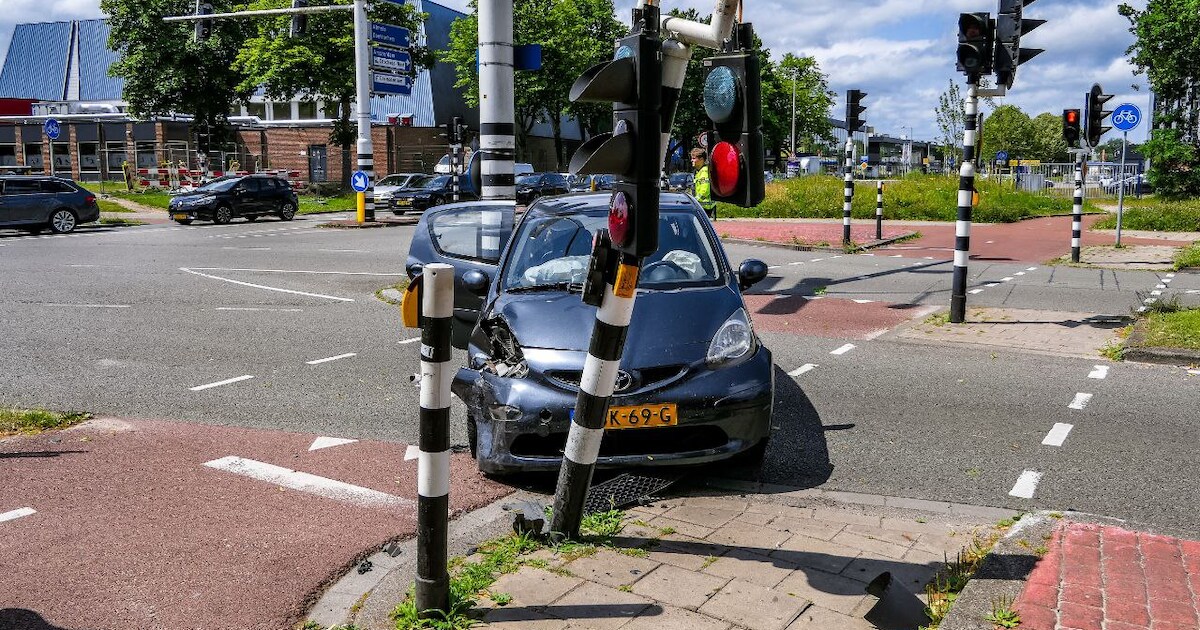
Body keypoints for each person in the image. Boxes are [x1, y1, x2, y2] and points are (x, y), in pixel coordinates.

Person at [690, 148, 716, 218]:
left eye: (694, 158)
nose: (691, 160)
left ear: (701, 159)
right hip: (702, 206)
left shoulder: (704, 172)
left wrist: (693, 200)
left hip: (704, 207)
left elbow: (704, 190)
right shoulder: (699, 171)